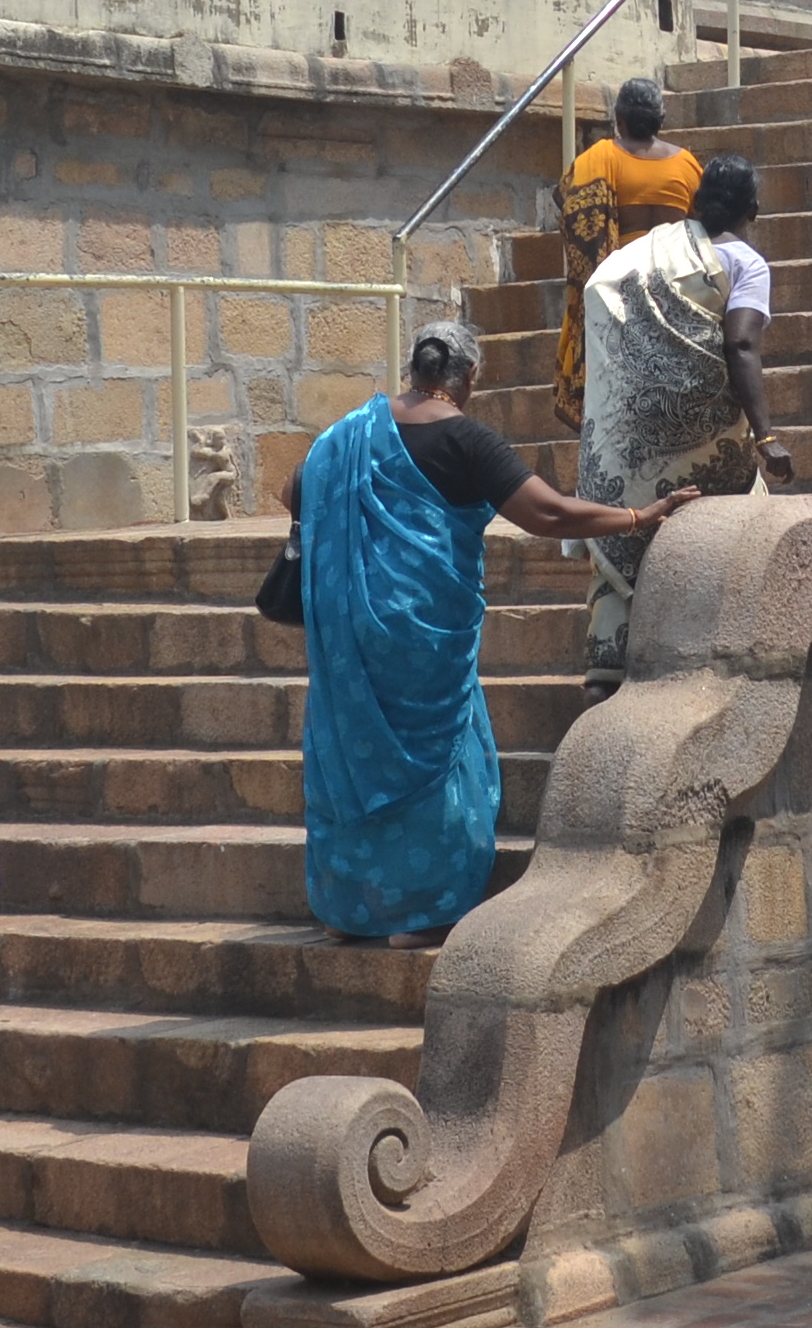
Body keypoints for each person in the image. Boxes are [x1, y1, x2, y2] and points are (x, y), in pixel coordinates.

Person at [292, 320, 698, 942]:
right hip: (424, 636)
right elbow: (547, 513)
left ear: (413, 368)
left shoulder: (346, 434)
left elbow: (295, 490)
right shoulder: (465, 438)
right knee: (431, 764)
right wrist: (640, 515)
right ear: (470, 376)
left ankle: (353, 911)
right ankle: (424, 912)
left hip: (350, 630)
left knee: (357, 754)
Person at [575, 156, 776, 691]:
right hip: (704, 436)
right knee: (738, 520)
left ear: (695, 203)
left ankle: (606, 671)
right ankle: (716, 654)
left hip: (625, 438)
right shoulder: (746, 263)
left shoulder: (643, 253)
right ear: (754, 210)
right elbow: (741, 344)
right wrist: (767, 436)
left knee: (624, 527)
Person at [552, 76, 702, 428]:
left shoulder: (597, 159)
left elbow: (566, 201)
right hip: (672, 294)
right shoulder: (688, 165)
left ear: (618, 119)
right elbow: (702, 225)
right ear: (661, 120)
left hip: (617, 294)